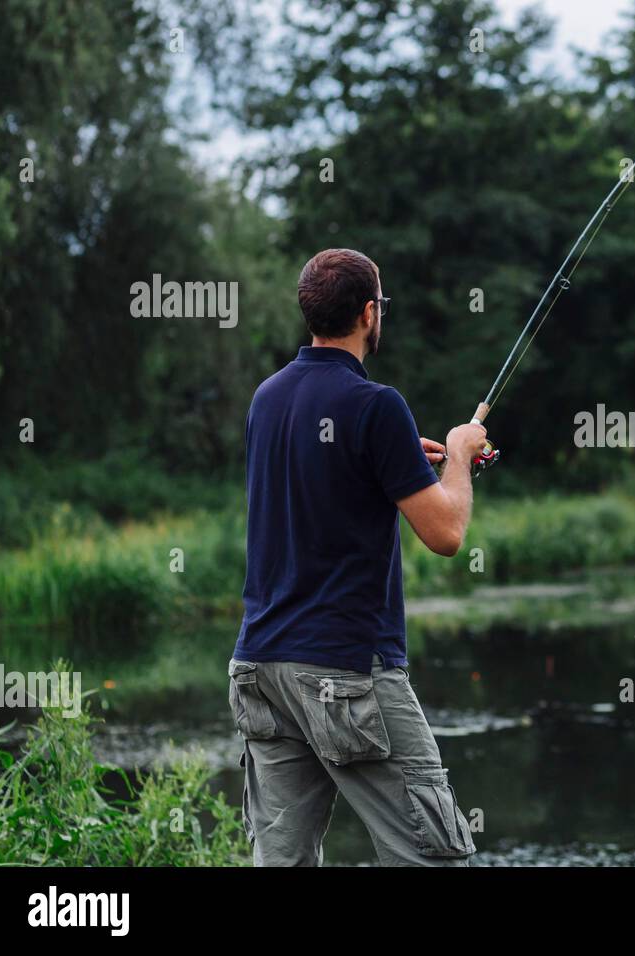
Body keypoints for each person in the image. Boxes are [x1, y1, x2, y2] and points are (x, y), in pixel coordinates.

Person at [226, 248, 488, 866]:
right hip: (345, 670)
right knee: (434, 856)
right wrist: (458, 453)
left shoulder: (266, 399)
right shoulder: (376, 404)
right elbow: (446, 533)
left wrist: (398, 461)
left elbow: (329, 478)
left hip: (260, 667)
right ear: (370, 314)